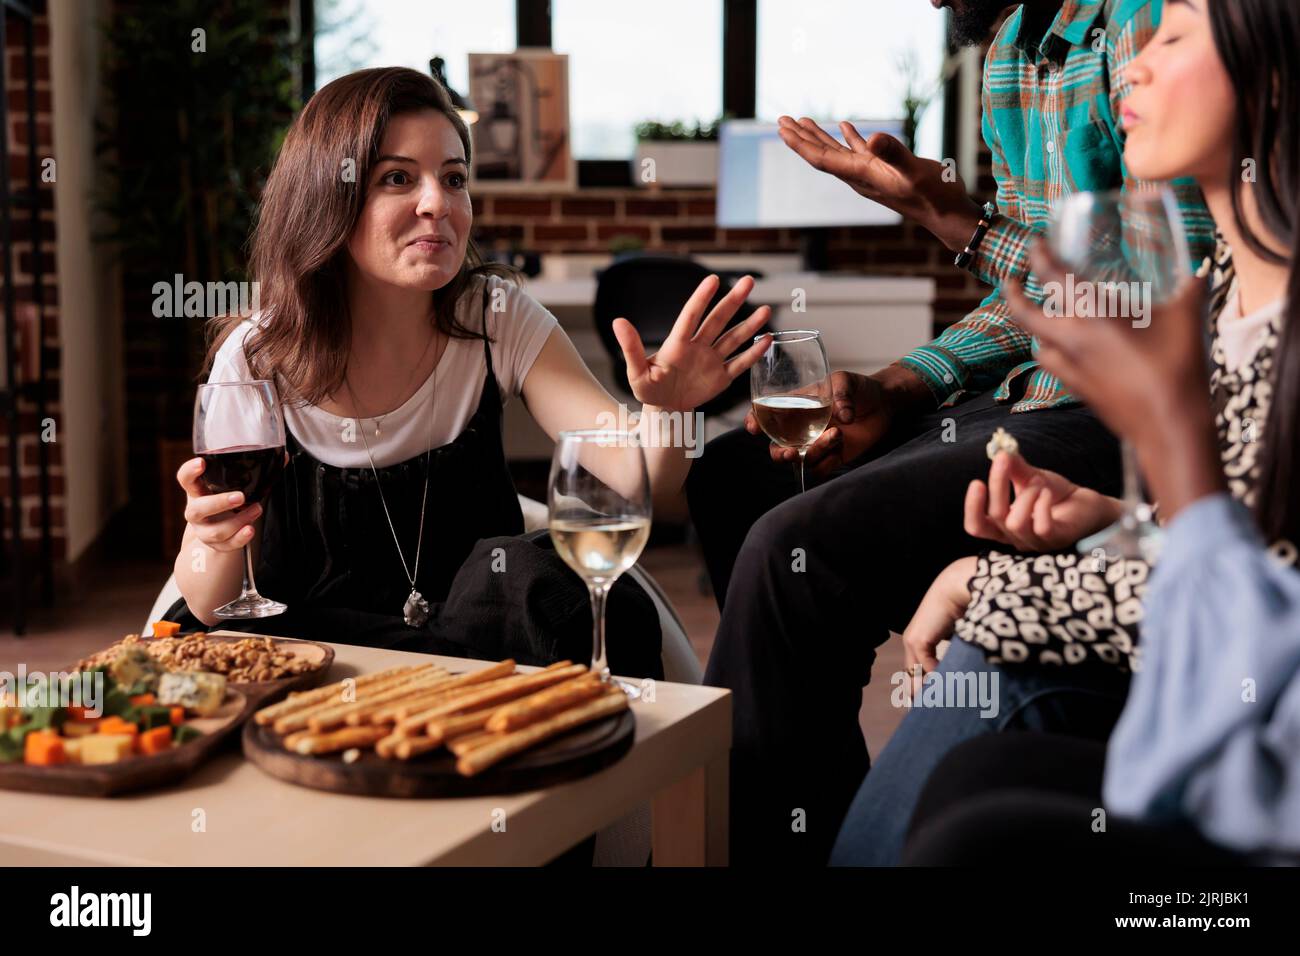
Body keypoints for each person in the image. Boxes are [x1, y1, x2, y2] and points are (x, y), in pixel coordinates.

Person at [689, 0, 1215, 865]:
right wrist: (901, 387)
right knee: (736, 475)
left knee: (797, 549)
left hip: (1120, 411)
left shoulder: (1149, 28)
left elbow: (1152, 305)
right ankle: (810, 822)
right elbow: (1030, 303)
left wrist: (955, 223)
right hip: (1027, 391)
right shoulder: (1010, 54)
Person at [875, 0, 1300, 866]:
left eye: (1174, 38)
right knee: (974, 758)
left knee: (986, 698)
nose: (1132, 66)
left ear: (1280, 73)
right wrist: (1106, 520)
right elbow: (1233, 553)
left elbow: (1256, 621)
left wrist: (981, 584)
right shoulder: (1222, 292)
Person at [166, 67, 772, 672]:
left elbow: (640, 478)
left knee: (526, 579)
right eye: (398, 178)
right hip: (318, 670)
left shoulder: (496, 317)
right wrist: (212, 543)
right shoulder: (254, 358)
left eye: (453, 179)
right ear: (329, 195)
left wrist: (669, 412)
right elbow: (214, 604)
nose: (438, 203)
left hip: (482, 667)